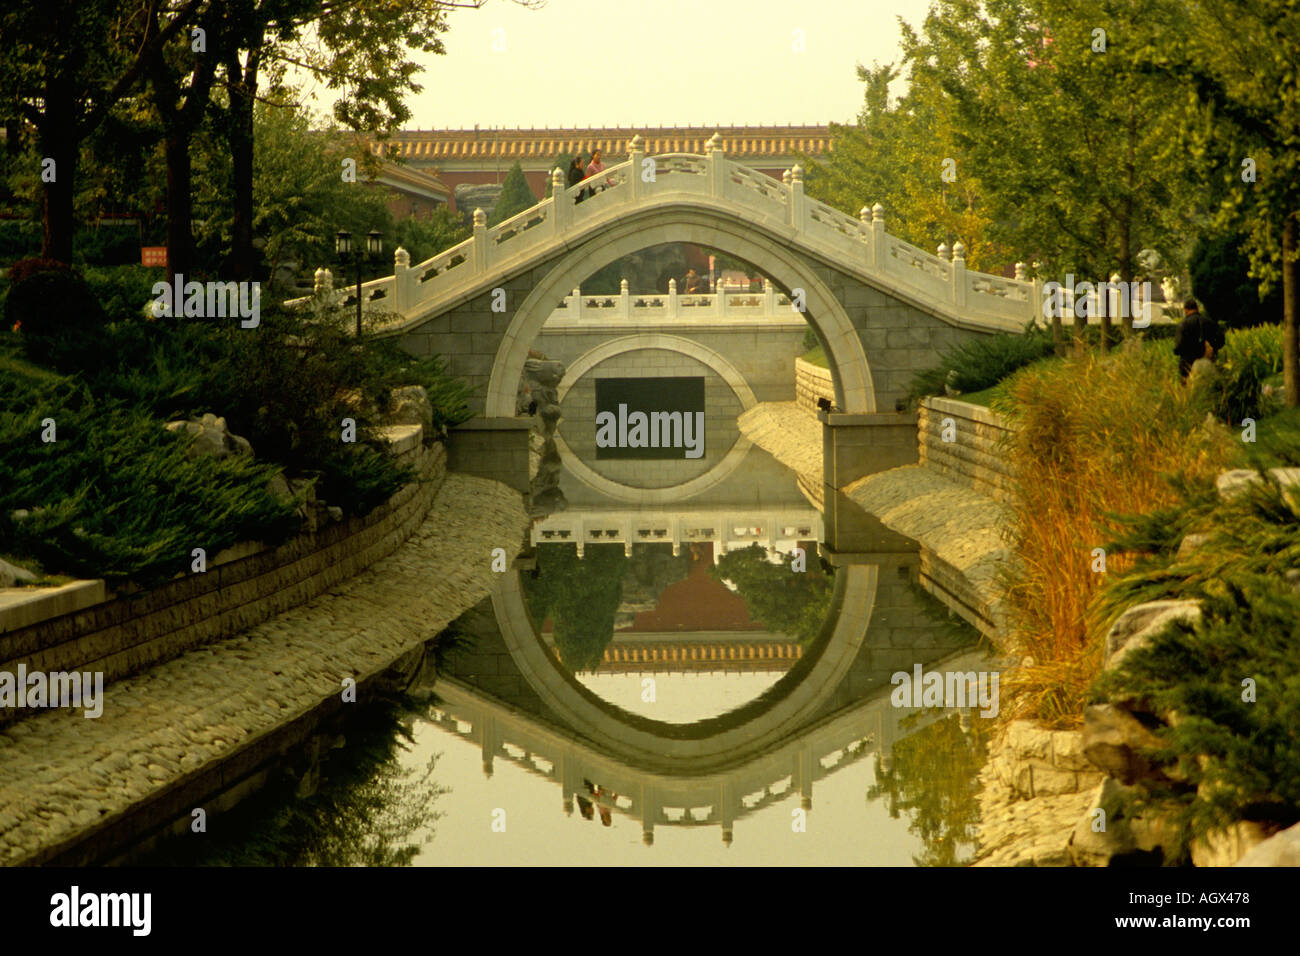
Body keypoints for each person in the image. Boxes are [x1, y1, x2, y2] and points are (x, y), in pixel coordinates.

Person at [1173, 297, 1225, 380]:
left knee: (1188, 388)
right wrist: (1212, 349)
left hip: (1188, 364)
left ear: (1185, 310)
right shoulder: (1210, 322)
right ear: (1197, 308)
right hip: (1209, 361)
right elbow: (1221, 341)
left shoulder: (1183, 325)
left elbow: (1177, 348)